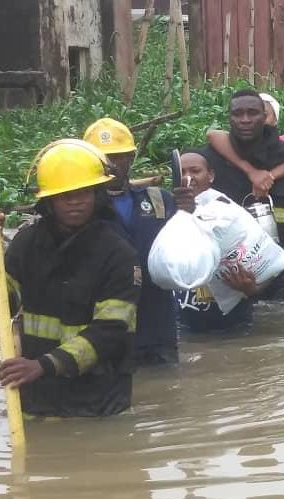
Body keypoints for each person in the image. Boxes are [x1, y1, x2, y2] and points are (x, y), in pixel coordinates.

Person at [0, 139, 140, 417]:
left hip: (97, 403)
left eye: (83, 193)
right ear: (48, 200)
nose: (75, 202)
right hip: (37, 399)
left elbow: (110, 332)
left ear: (97, 195)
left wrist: (42, 365)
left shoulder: (119, 254)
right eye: (65, 196)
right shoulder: (27, 243)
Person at [202, 89, 284, 305]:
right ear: (229, 118)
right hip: (231, 263)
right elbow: (213, 135)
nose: (245, 120)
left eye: (253, 113)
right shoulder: (213, 158)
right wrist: (250, 171)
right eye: (238, 114)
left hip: (282, 259)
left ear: (265, 118)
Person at [83, 117, 179, 367]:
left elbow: (182, 255)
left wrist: (188, 216)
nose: (111, 165)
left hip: (158, 327)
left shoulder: (160, 200)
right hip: (105, 332)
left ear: (132, 157)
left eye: (119, 157)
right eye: (103, 159)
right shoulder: (78, 209)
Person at [171, 150, 257, 332]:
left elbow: (264, 268)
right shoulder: (165, 212)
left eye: (195, 171)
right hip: (185, 320)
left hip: (234, 322)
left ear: (211, 175)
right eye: (182, 172)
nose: (188, 178)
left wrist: (250, 288)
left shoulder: (231, 215)